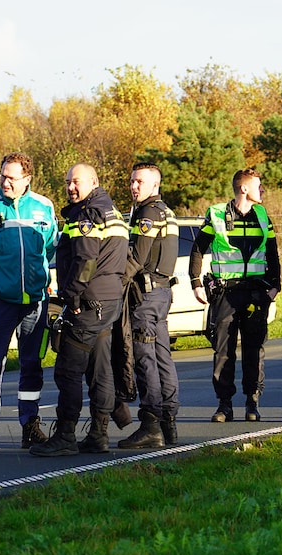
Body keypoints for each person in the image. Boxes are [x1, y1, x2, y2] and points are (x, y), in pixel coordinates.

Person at [0, 152, 59, 453]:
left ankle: (30, 426)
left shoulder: (44, 206)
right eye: (3, 176)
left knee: (32, 365)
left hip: (36, 302)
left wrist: (44, 280)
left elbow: (51, 249)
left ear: (27, 179)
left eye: (12, 178)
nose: (5, 182)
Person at [30, 163, 130, 457]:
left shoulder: (87, 215)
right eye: (67, 182)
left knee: (68, 370)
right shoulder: (112, 212)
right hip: (108, 302)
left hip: (88, 303)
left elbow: (85, 260)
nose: (70, 187)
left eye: (76, 182)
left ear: (93, 182)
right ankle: (99, 434)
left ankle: (65, 436)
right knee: (100, 369)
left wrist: (72, 296)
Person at [189, 168, 281, 424]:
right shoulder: (217, 214)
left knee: (254, 350)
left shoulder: (262, 215)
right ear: (244, 189)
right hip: (226, 293)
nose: (262, 190)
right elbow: (198, 249)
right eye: (258, 186)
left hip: (256, 293)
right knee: (223, 351)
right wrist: (196, 283)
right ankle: (224, 405)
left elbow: (272, 253)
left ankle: (252, 402)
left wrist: (276, 286)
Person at [117, 162, 181, 449]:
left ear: (155, 184)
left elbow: (136, 258)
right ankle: (169, 421)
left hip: (146, 296)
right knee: (162, 356)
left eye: (139, 182)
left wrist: (114, 285)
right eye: (132, 181)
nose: (134, 186)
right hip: (161, 293)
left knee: (145, 359)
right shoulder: (166, 211)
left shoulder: (147, 213)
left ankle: (151, 424)